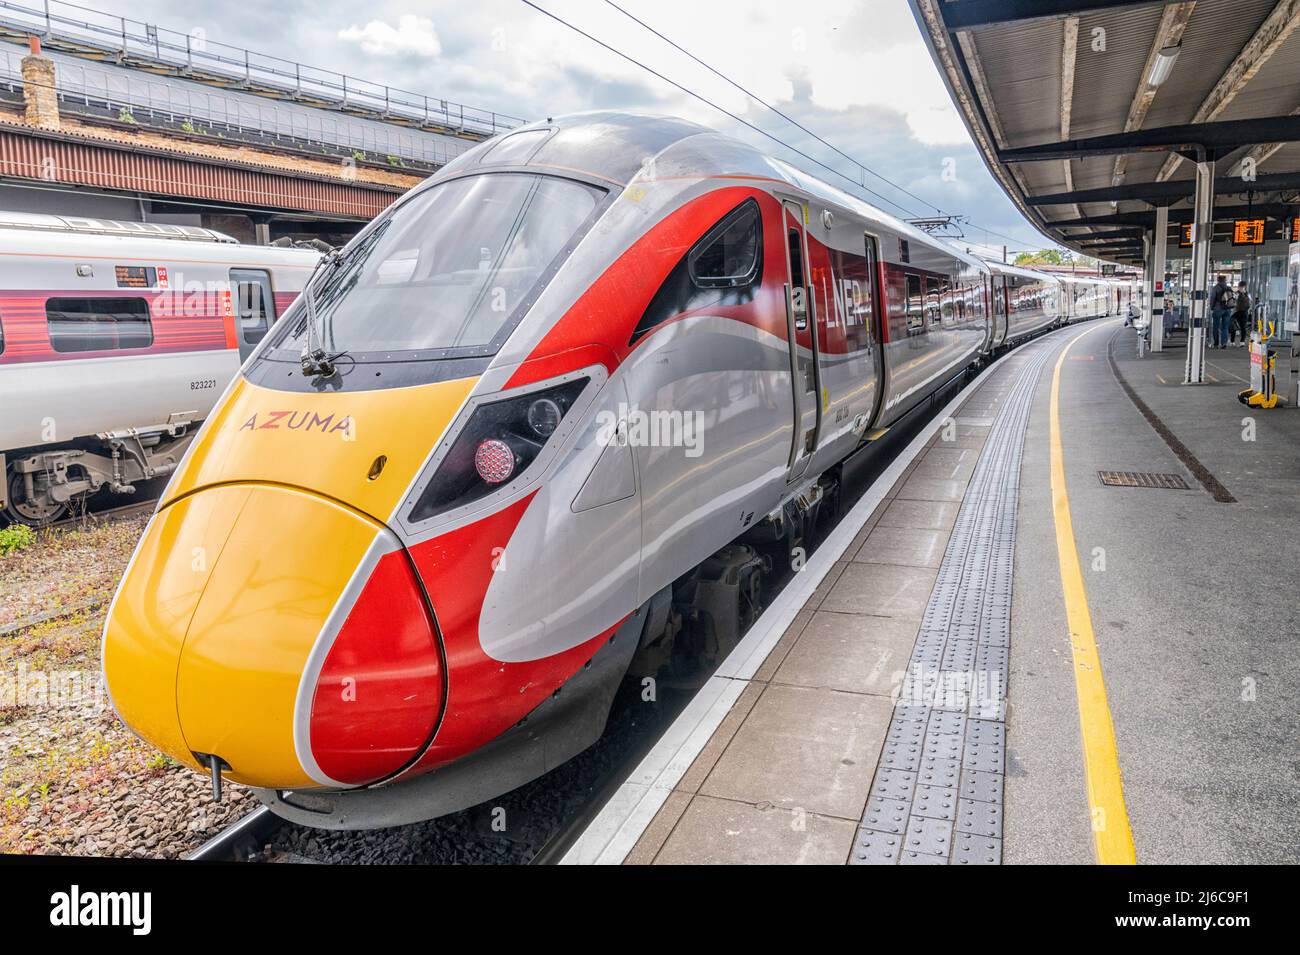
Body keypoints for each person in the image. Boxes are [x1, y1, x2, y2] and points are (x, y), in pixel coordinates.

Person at [1209, 275, 1233, 348]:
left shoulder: (1215, 288)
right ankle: (1224, 343)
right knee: (1225, 327)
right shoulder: (1228, 288)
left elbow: (1212, 299)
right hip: (1227, 309)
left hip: (1218, 309)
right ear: (1225, 280)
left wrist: (1212, 307)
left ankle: (1216, 343)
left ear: (1218, 280)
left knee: (1215, 327)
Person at [1230, 281, 1252, 347]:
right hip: (1240, 312)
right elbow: (1250, 303)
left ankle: (1240, 342)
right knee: (1234, 326)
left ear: (1244, 287)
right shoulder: (1247, 294)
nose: (1240, 288)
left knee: (1242, 327)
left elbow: (1233, 302)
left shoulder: (1238, 294)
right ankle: (1234, 341)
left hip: (1239, 312)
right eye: (1239, 287)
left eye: (1241, 287)